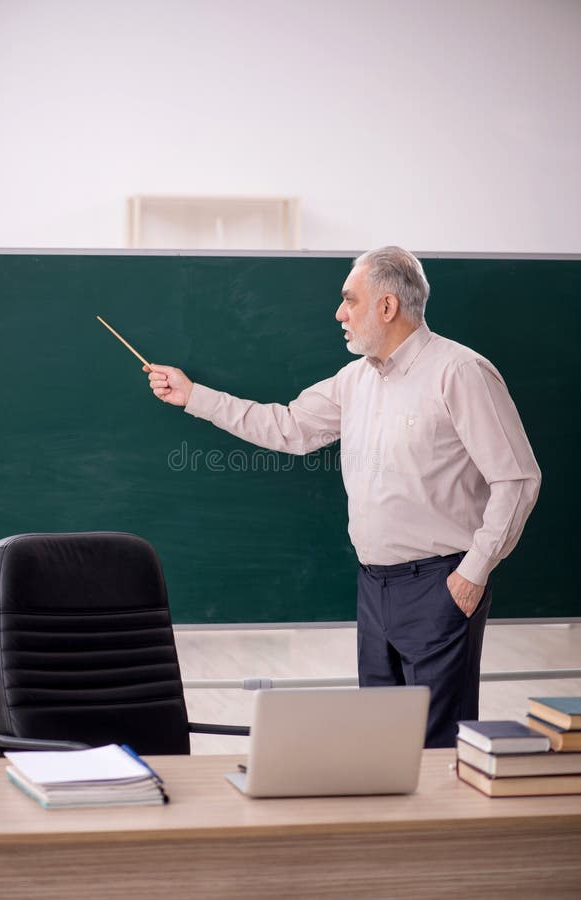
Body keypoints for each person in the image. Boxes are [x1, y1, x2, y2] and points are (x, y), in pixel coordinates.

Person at [144, 246, 541, 748]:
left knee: (437, 747)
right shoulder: (354, 381)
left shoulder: (459, 372)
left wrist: (471, 574)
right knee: (381, 742)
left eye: (349, 300)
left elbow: (518, 479)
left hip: (441, 585)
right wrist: (194, 396)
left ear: (388, 306)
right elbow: (287, 427)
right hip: (373, 588)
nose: (339, 313)